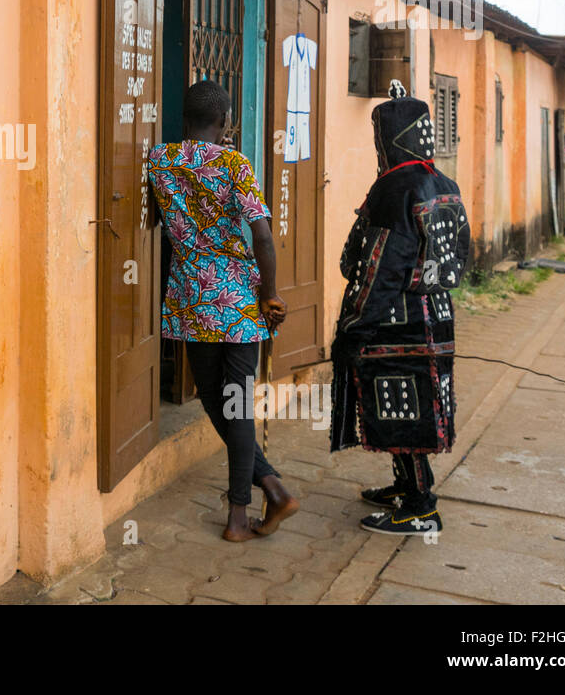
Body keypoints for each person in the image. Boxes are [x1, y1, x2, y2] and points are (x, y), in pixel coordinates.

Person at [146, 80, 297, 542]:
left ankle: (267, 493)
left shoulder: (158, 160)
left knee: (216, 402)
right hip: (238, 306)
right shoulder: (235, 164)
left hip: (193, 302)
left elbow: (155, 214)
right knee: (237, 405)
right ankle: (248, 507)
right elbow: (263, 237)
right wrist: (269, 295)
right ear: (227, 121)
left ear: (183, 118)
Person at [329, 82, 470, 536]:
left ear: (391, 138)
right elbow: (461, 255)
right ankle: (405, 485)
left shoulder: (394, 189)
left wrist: (353, 328)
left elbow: (380, 269)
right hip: (437, 314)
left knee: (404, 410)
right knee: (409, 407)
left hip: (398, 322)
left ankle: (420, 506)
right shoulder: (443, 183)